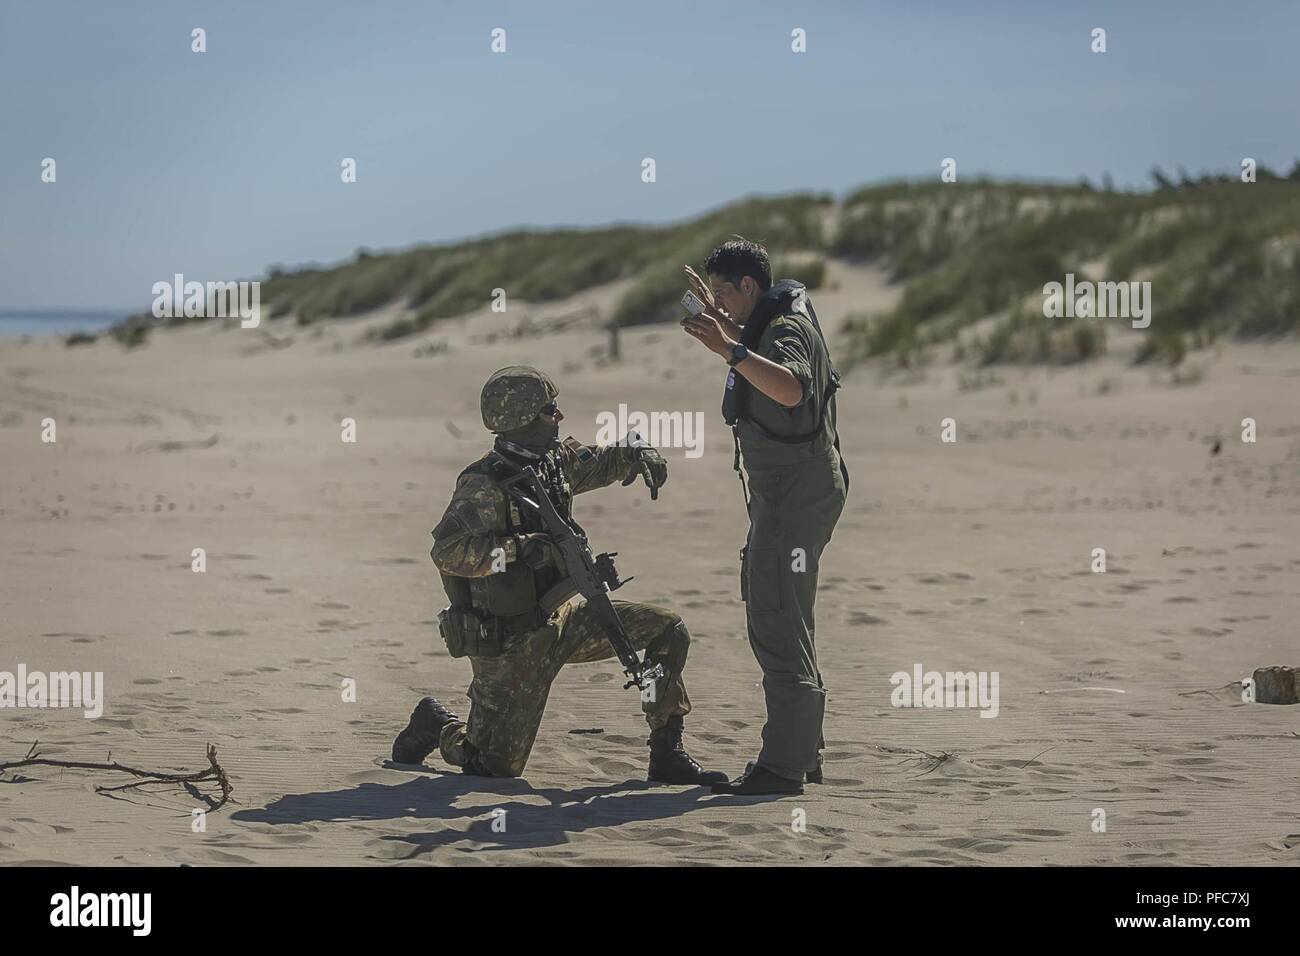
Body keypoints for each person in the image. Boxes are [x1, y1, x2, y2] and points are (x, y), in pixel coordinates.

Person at [392, 365, 727, 786]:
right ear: (523, 420)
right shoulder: (484, 486)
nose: (560, 417)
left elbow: (600, 460)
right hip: (511, 641)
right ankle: (436, 723)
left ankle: (667, 753)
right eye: (551, 411)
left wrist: (639, 453)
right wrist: (519, 549)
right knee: (493, 766)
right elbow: (449, 551)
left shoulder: (552, 462)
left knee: (667, 632)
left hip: (564, 620)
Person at [680, 238, 848, 796]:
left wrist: (728, 347)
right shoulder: (765, 319)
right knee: (787, 615)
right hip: (793, 491)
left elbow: (792, 386)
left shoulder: (784, 329)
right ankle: (804, 754)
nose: (721, 305)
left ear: (749, 287)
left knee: (776, 617)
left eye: (726, 293)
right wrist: (727, 327)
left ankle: (782, 768)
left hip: (796, 493)